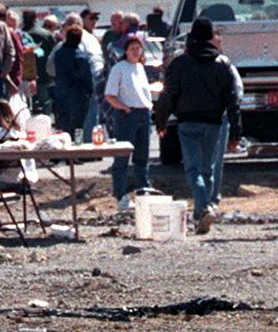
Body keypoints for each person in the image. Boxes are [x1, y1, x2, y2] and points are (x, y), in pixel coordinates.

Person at [154, 16, 242, 236]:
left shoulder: (179, 63)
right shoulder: (223, 64)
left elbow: (168, 95)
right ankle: (201, 214)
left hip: (187, 122)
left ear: (192, 37)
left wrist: (161, 121)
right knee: (207, 170)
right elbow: (233, 100)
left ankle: (204, 208)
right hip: (214, 123)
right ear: (211, 37)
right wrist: (235, 133)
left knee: (192, 170)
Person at [103, 34, 155, 212]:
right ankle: (121, 196)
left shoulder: (140, 68)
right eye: (132, 48)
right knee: (122, 157)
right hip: (128, 115)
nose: (135, 51)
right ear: (125, 51)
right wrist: (124, 107)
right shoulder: (119, 68)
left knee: (142, 157)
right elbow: (110, 95)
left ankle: (143, 192)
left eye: (138, 48)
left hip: (143, 113)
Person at [49, 23, 95, 141]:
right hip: (77, 95)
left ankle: (62, 148)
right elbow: (86, 76)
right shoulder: (80, 55)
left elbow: (53, 70)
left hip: (60, 93)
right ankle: (76, 149)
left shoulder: (58, 53)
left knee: (62, 126)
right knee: (77, 128)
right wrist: (90, 90)